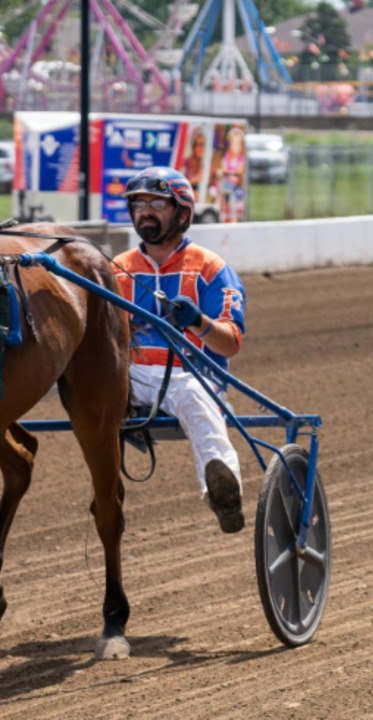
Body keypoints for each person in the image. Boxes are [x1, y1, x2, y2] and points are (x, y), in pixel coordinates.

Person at [113, 166, 248, 533]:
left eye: (157, 203)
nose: (145, 211)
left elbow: (231, 342)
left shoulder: (210, 268)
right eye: (138, 204)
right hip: (129, 379)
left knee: (194, 399)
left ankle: (224, 492)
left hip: (191, 377)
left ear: (183, 214)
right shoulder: (117, 270)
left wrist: (199, 322)